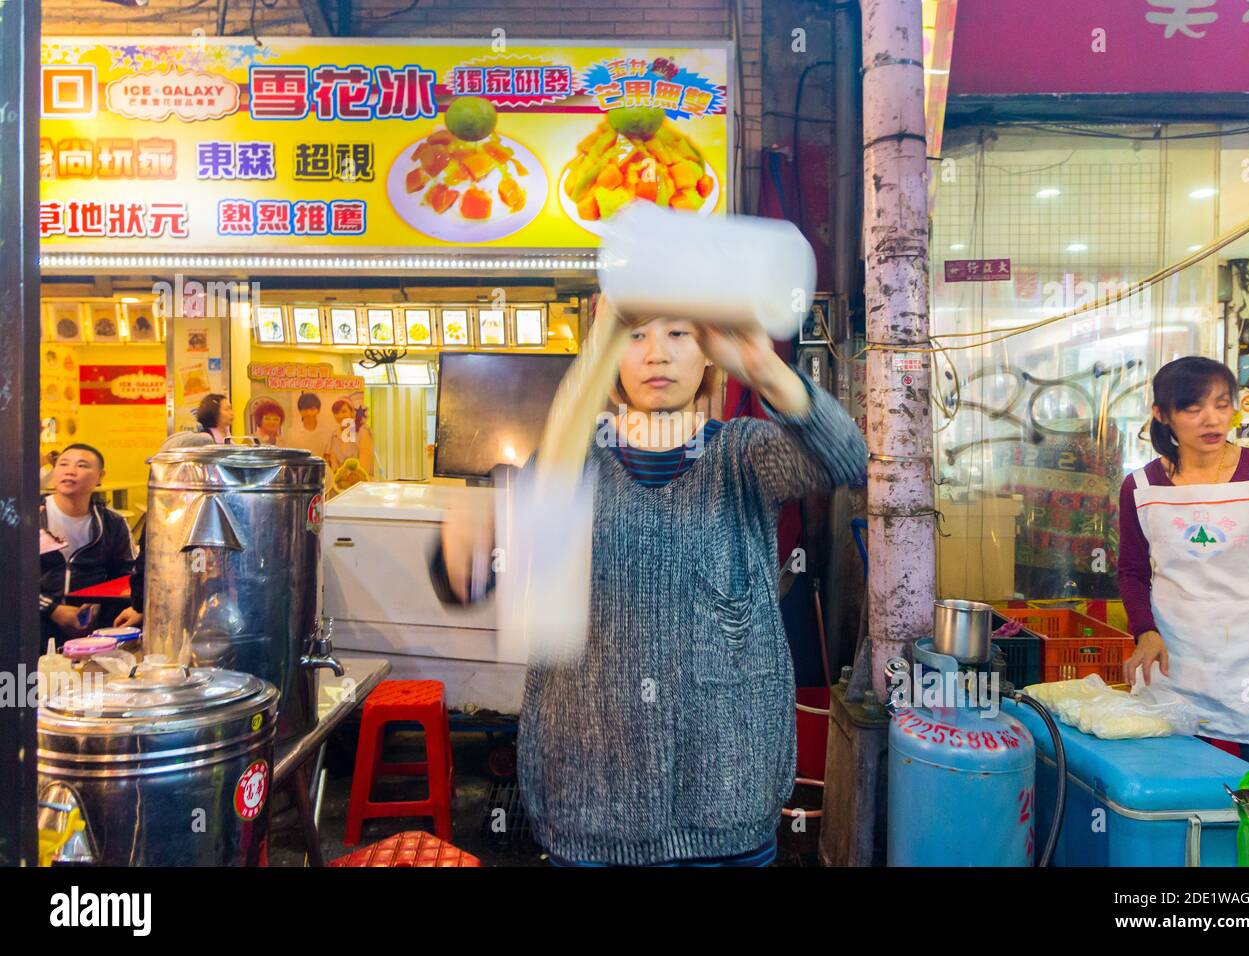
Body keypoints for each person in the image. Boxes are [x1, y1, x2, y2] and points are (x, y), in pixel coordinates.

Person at [438, 300, 867, 865]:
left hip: (728, 809)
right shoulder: (576, 458)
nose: (657, 353)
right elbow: (483, 567)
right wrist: (462, 552)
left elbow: (845, 458)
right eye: (634, 334)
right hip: (589, 812)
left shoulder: (744, 455)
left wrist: (766, 368)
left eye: (679, 333)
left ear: (709, 354)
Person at [1119, 356, 1249, 765]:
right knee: (1179, 791)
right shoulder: (1142, 486)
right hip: (1176, 661)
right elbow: (1131, 571)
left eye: (1222, 404)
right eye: (1192, 407)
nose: (1211, 419)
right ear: (1162, 415)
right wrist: (1144, 632)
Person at [39, 444, 137, 643]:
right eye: (63, 464)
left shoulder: (112, 523)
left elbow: (124, 576)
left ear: (100, 476)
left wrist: (99, 604)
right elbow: (10, 577)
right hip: (35, 628)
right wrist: (53, 609)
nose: (70, 471)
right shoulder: (32, 515)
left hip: (93, 632)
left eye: (82, 466)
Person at [158, 393, 234, 451]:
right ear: (214, 412)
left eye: (231, 408)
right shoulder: (204, 439)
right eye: (226, 409)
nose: (231, 413)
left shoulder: (229, 440)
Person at [325, 398, 375, 475]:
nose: (340, 416)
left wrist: (351, 478)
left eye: (344, 411)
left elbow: (365, 464)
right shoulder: (334, 435)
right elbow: (334, 463)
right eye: (336, 413)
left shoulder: (362, 432)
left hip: (360, 480)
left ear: (352, 412)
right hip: (341, 482)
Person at [281, 392, 334, 459]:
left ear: (318, 410)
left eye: (312, 409)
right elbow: (289, 456)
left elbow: (327, 457)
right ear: (300, 411)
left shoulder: (327, 433)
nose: (309, 413)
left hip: (319, 467)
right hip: (299, 467)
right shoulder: (292, 432)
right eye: (305, 410)